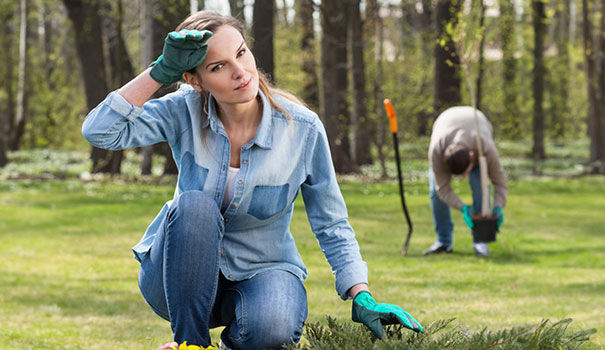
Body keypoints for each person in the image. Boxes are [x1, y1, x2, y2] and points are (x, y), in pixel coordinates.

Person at [81, 11, 421, 350]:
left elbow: (331, 221)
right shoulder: (182, 110)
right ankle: (190, 344)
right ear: (195, 81)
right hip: (175, 277)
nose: (240, 72)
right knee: (195, 205)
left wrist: (360, 293)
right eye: (218, 67)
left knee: (273, 328)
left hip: (264, 270)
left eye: (241, 53)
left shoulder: (302, 129)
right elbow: (99, 130)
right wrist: (158, 74)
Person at [423, 106, 507, 257]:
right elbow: (442, 188)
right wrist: (463, 208)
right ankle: (444, 241)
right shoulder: (436, 151)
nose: (463, 177)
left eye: (466, 171)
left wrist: (498, 206)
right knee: (435, 193)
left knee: (480, 187)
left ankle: (480, 240)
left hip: (477, 123)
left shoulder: (485, 147)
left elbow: (499, 181)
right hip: (445, 121)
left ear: (471, 155)